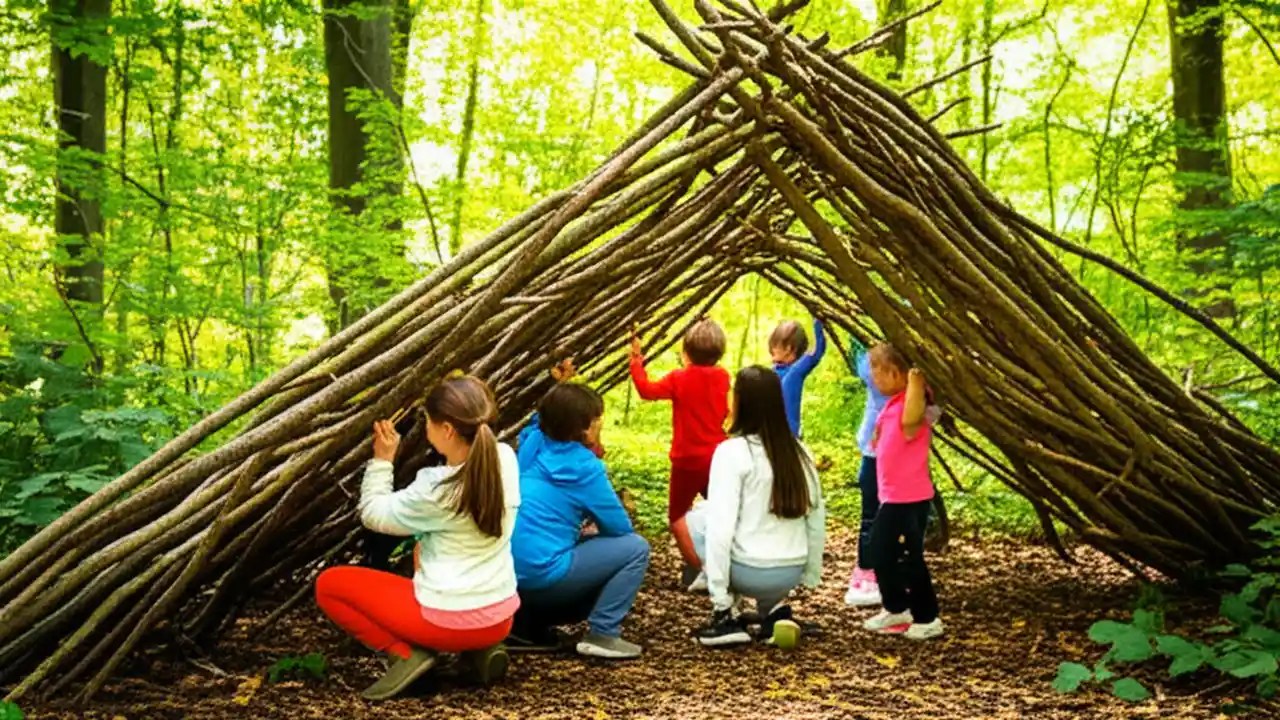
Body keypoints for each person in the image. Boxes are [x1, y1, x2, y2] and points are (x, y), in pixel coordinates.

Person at [314, 375, 521, 701]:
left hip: (446, 622)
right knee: (424, 552)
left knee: (329, 585)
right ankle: (478, 652)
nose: (424, 428)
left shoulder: (437, 489)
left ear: (448, 430)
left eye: (428, 421)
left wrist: (382, 460)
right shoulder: (505, 459)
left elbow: (374, 514)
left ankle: (408, 656)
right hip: (500, 616)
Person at [509, 383, 650, 659]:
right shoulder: (585, 468)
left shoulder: (531, 443)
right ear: (584, 428)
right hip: (544, 578)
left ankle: (524, 624)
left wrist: (562, 385)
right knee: (636, 548)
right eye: (598, 420)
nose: (601, 425)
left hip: (505, 579)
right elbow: (620, 529)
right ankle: (603, 633)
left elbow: (543, 417)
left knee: (566, 543)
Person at [688, 366, 825, 649]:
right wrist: (810, 574)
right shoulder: (799, 452)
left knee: (698, 518)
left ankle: (728, 617)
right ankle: (773, 611)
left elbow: (720, 528)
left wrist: (718, 596)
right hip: (790, 571)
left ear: (741, 402)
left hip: (749, 570)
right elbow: (816, 518)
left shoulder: (732, 452)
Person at [629, 318, 730, 591]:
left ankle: (702, 567)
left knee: (677, 517)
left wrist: (636, 358)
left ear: (685, 353)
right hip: (718, 457)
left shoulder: (679, 378)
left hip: (686, 460)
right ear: (719, 353)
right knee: (724, 513)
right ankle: (727, 564)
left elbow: (646, 390)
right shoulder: (723, 377)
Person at [860, 344, 944, 640]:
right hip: (893, 496)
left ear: (900, 373)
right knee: (880, 551)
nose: (874, 376)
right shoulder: (893, 403)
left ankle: (928, 616)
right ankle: (897, 608)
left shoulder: (916, 405)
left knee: (910, 556)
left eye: (880, 370)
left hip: (910, 498)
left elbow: (910, 422)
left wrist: (917, 378)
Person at [844, 335, 889, 607]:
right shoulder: (873, 369)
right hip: (874, 453)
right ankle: (867, 571)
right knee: (871, 511)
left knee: (899, 514)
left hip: (902, 457)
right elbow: (867, 371)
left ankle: (896, 570)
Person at [769, 317, 827, 437]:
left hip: (789, 437)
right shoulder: (770, 373)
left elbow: (817, 352)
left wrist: (817, 321)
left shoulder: (796, 371)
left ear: (789, 348)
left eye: (775, 345)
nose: (772, 349)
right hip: (770, 435)